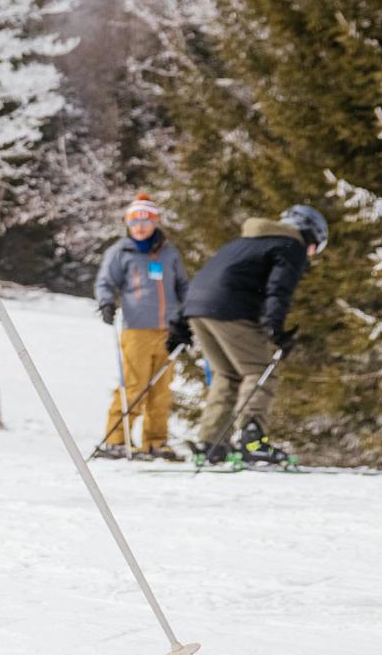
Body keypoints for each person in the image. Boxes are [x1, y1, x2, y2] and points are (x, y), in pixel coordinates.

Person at [180, 204, 326, 466]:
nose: (312, 255)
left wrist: (179, 321)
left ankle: (210, 443)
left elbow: (208, 275)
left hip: (197, 308)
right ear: (309, 234)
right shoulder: (290, 244)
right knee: (260, 369)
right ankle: (252, 439)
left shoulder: (244, 242)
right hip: (229, 309)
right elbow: (278, 289)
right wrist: (275, 329)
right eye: (316, 247)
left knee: (228, 374)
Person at [92, 194, 190, 461]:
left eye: (145, 221)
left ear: (154, 222)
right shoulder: (121, 252)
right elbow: (105, 282)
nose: (139, 226)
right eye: (134, 221)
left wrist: (189, 312)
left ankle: (155, 442)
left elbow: (183, 285)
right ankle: (116, 439)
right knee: (134, 385)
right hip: (136, 329)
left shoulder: (169, 253)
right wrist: (106, 303)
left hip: (167, 330)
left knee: (161, 390)